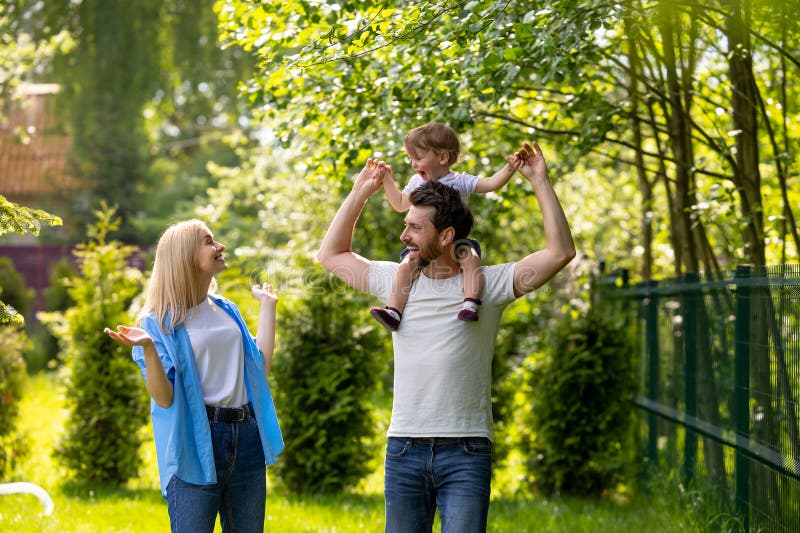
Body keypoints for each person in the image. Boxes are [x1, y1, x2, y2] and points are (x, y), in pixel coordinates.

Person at [317, 141, 575, 533]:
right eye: (406, 225)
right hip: (404, 446)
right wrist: (360, 193)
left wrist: (539, 180)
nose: (404, 235)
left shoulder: (491, 284)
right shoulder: (394, 282)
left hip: (467, 450)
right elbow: (331, 255)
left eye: (415, 227)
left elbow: (560, 252)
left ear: (445, 235)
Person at [103, 219, 283, 533]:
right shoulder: (159, 323)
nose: (220, 247)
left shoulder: (227, 309)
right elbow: (164, 397)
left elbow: (259, 369)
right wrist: (148, 348)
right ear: (185, 256)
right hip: (197, 443)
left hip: (246, 435)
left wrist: (268, 308)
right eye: (209, 241)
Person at [370, 122, 522, 330]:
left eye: (419, 158)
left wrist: (510, 168)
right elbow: (399, 204)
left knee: (471, 259)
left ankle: (470, 302)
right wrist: (387, 180)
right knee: (406, 265)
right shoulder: (416, 182)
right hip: (426, 244)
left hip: (457, 240)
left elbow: (491, 183)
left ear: (442, 158)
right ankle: (394, 312)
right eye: (411, 159)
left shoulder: (460, 181)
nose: (414, 164)